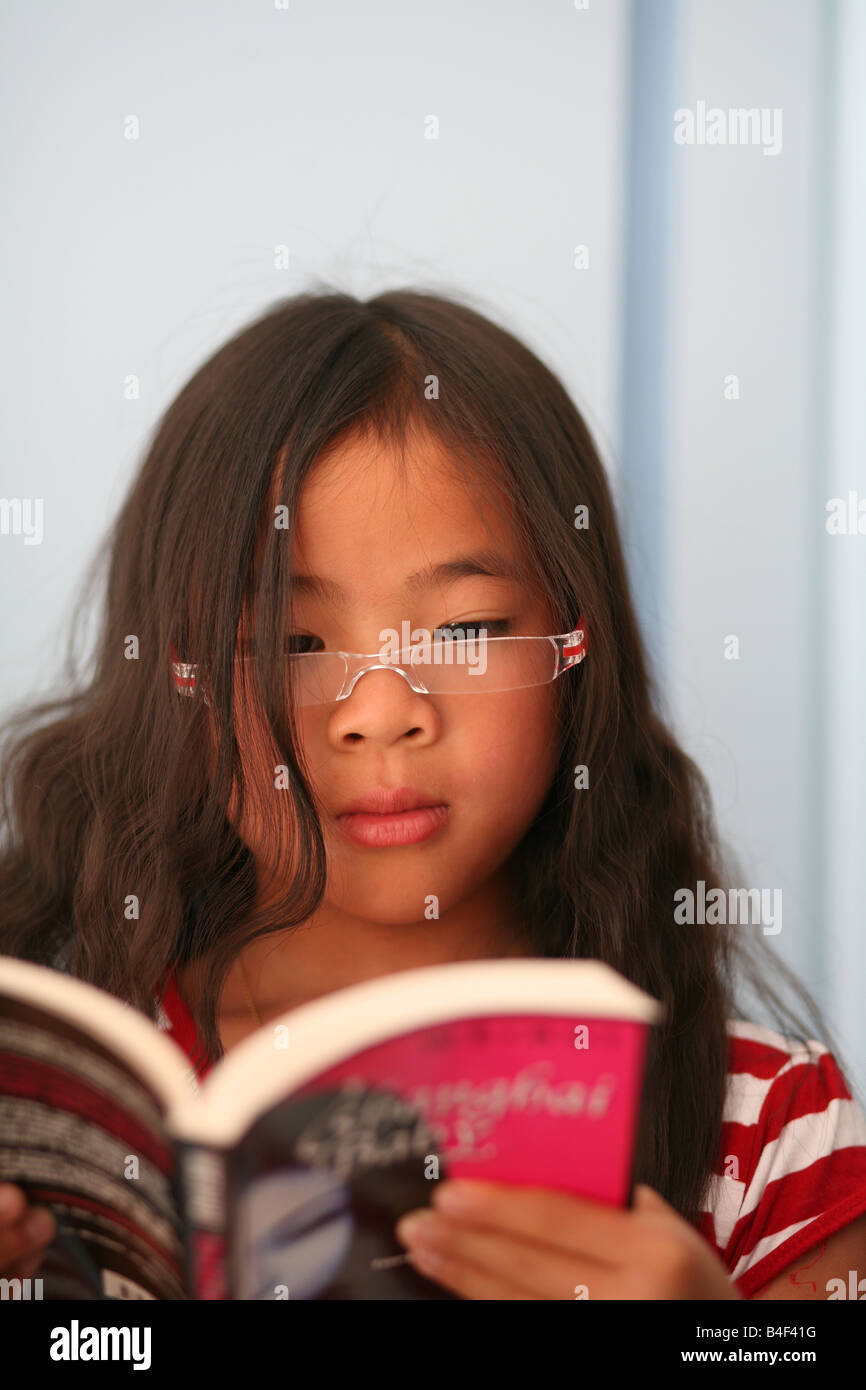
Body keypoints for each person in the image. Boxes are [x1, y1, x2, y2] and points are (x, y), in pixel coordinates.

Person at [1, 287, 864, 1299]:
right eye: (288, 640)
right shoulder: (49, 1105)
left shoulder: (765, 1130)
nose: (377, 711)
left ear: (575, 649)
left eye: (461, 631)